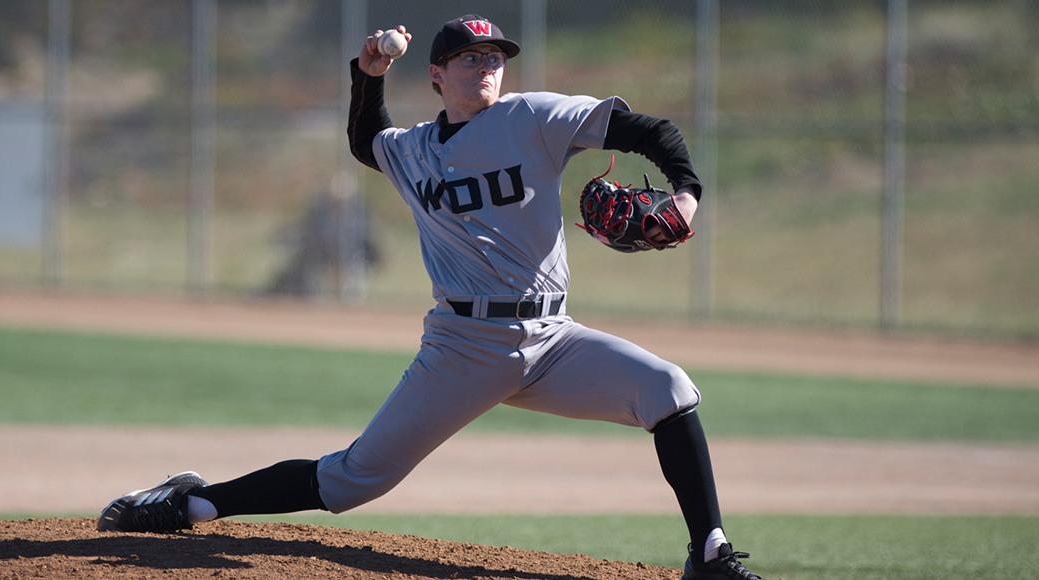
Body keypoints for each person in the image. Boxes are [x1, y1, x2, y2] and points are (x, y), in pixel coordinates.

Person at [97, 14, 761, 580]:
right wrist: (369, 71)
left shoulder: (534, 117)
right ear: (438, 75)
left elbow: (651, 131)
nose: (488, 67)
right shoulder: (414, 149)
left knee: (668, 389)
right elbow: (366, 140)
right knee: (352, 481)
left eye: (496, 57)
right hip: (463, 347)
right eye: (471, 58)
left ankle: (709, 552)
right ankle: (191, 504)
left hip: (552, 339)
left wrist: (684, 193)